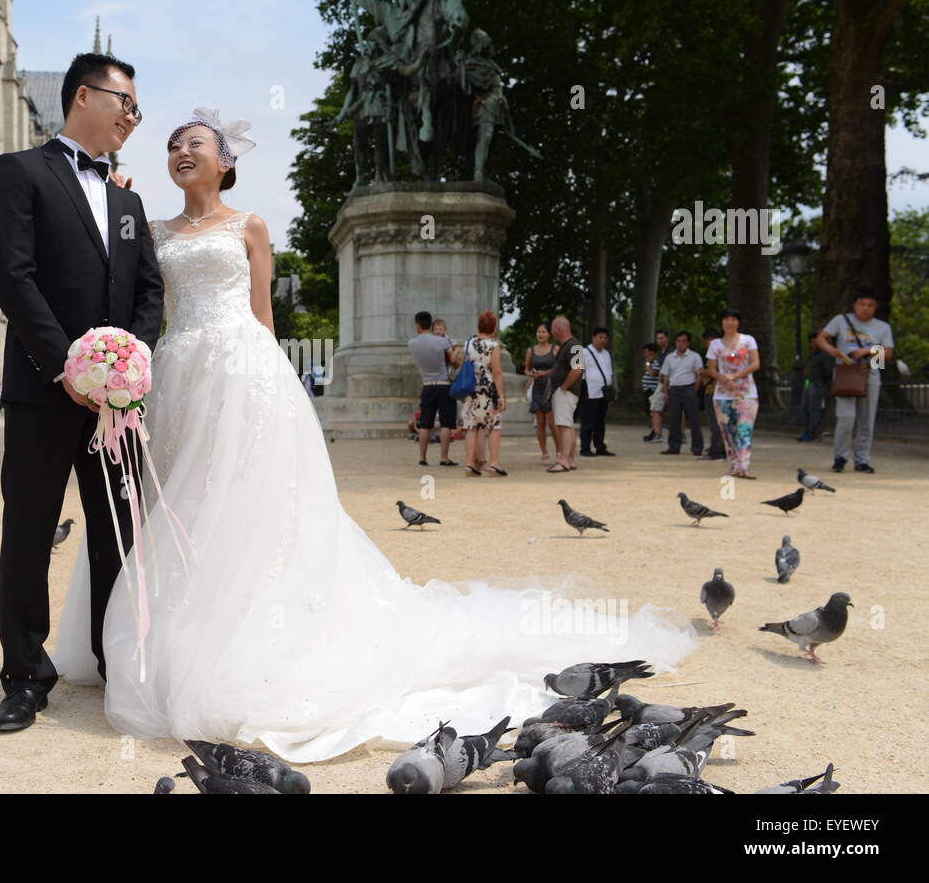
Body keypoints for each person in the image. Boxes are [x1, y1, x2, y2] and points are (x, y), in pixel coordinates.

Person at [50, 109, 696, 762]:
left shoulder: (250, 225)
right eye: (172, 146)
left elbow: (263, 316)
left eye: (194, 143)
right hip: (178, 374)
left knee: (245, 504)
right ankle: (163, 638)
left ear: (225, 161)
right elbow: (123, 288)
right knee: (174, 503)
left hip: (243, 373)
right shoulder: (151, 228)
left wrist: (274, 390)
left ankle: (247, 639)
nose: (180, 151)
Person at [0, 50, 164, 732]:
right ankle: (26, 673)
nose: (133, 118)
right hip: (43, 389)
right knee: (28, 532)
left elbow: (147, 290)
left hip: (118, 405)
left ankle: (117, 657)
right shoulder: (18, 172)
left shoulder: (128, 200)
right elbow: (14, 278)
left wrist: (127, 365)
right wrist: (71, 368)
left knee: (119, 532)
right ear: (85, 96)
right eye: (128, 104)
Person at [816, 290, 894, 473]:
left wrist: (867, 351)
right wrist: (832, 350)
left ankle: (862, 459)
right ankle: (840, 456)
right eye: (862, 304)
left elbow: (887, 354)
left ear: (875, 307)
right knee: (846, 416)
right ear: (855, 305)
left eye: (870, 305)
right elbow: (821, 338)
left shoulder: (882, 327)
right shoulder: (841, 320)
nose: (865, 308)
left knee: (867, 419)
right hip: (846, 371)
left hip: (870, 371)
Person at [706, 309, 761, 478]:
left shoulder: (748, 340)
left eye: (733, 319)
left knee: (745, 430)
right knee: (727, 432)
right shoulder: (715, 344)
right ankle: (734, 464)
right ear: (722, 322)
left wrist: (735, 376)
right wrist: (724, 379)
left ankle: (744, 466)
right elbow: (711, 368)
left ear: (738, 322)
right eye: (726, 319)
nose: (729, 323)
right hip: (723, 394)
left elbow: (755, 363)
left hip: (746, 393)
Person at [408, 311, 460, 467]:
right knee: (446, 423)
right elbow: (454, 361)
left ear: (417, 325)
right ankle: (444, 458)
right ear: (430, 325)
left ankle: (422, 458)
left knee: (425, 424)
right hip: (444, 385)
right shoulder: (441, 342)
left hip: (427, 385)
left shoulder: (412, 343)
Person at [459, 310, 507, 476]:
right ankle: (494, 464)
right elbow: (497, 372)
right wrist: (501, 396)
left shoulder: (468, 343)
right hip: (489, 391)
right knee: (494, 426)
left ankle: (469, 464)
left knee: (471, 426)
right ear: (493, 328)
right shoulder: (494, 346)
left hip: (472, 389)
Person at [546, 317, 584, 473]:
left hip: (566, 392)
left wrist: (564, 387)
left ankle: (563, 461)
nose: (552, 332)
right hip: (565, 391)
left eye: (553, 329)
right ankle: (570, 459)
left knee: (564, 425)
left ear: (559, 329)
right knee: (566, 425)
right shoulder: (568, 346)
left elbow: (577, 369)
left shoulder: (575, 345)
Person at [658, 331, 703, 455]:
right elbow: (666, 376)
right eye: (678, 341)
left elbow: (699, 375)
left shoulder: (695, 356)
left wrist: (695, 389)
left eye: (683, 341)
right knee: (674, 419)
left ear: (688, 343)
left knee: (694, 419)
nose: (680, 344)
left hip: (689, 388)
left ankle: (697, 448)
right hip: (674, 389)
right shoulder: (669, 357)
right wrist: (666, 392)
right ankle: (673, 446)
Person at [523, 322, 558, 466]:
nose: (540, 334)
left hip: (551, 386)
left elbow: (559, 368)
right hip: (537, 386)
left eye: (543, 332)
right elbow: (526, 369)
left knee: (552, 422)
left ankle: (560, 451)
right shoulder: (531, 350)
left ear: (549, 334)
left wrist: (546, 373)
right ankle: (544, 453)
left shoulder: (556, 349)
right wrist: (532, 374)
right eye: (538, 332)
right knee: (540, 423)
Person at [578, 327, 615, 457]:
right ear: (593, 337)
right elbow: (576, 372)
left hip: (603, 393)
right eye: (600, 337)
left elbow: (609, 372)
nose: (603, 340)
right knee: (587, 421)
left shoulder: (606, 354)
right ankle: (585, 448)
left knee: (600, 421)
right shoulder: (582, 352)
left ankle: (600, 446)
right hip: (589, 392)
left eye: (605, 338)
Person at [695, 328, 726, 462]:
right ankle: (721, 449)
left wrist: (702, 371)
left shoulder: (717, 353)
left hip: (713, 391)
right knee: (719, 422)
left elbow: (715, 371)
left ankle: (716, 450)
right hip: (714, 390)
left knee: (715, 423)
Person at [799, 333, 832, 442]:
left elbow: (829, 372)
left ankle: (812, 432)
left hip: (818, 384)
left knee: (814, 409)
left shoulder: (824, 355)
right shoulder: (813, 355)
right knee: (805, 408)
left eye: (814, 342)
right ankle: (807, 430)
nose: (811, 345)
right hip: (809, 382)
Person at [643, 330, 672, 441]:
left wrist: (647, 364)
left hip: (663, 384)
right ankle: (656, 432)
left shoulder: (669, 353)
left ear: (667, 338)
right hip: (661, 383)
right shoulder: (662, 354)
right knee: (655, 408)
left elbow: (653, 373)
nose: (660, 340)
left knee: (655, 408)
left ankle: (658, 433)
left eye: (662, 338)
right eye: (658, 338)